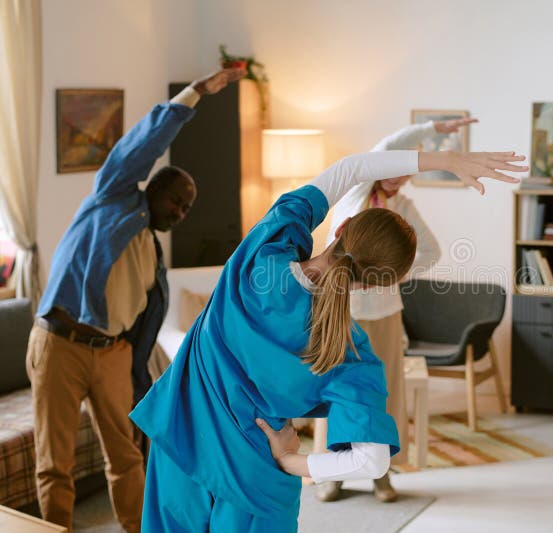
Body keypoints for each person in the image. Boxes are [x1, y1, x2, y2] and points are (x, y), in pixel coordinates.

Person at [129, 147, 526, 531]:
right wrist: (295, 462)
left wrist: (445, 160)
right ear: (381, 283)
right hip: (257, 482)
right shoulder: (352, 354)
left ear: (340, 228)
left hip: (180, 449)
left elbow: (350, 169)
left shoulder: (261, 252)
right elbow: (372, 461)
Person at [28, 68, 245, 532]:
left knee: (127, 456)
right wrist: (196, 94)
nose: (180, 213)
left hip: (109, 355)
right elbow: (139, 147)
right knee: (55, 461)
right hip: (60, 345)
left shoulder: (151, 248)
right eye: (176, 202)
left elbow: (140, 316)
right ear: (153, 189)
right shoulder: (112, 200)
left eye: (187, 208)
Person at [313, 117, 474, 503]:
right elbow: (387, 144)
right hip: (342, 309)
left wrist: (388, 275)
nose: (397, 180)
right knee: (334, 390)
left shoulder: (403, 207)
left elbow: (432, 253)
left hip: (384, 313)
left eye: (405, 176)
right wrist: (435, 126)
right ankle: (331, 473)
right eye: (395, 171)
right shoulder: (354, 192)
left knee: (382, 393)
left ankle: (380, 472)